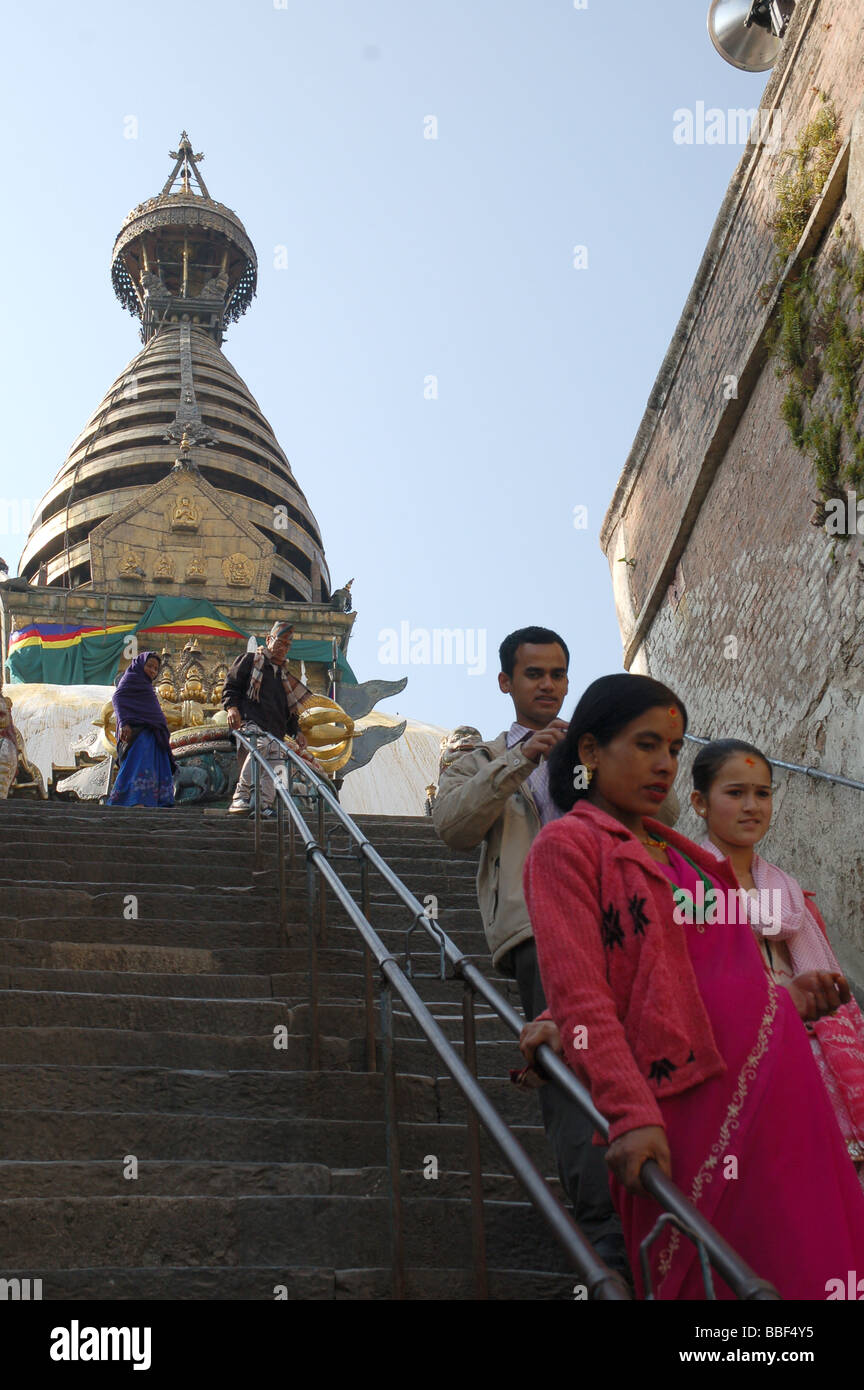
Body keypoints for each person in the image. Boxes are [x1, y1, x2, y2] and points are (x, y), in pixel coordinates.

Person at [521, 673, 864, 1300]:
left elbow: (681, 969)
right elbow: (584, 990)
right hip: (686, 1095)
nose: (665, 764)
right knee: (725, 1277)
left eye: (674, 749)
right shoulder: (567, 846)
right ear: (590, 750)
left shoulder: (684, 856)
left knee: (811, 1258)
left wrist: (787, 997)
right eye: (646, 744)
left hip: (781, 1078)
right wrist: (627, 1112)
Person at [432, 627, 630, 1274]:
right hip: (539, 930)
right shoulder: (481, 758)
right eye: (534, 673)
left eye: (558, 674)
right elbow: (452, 826)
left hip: (622, 922)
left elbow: (663, 816)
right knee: (571, 1070)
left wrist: (606, 757)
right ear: (506, 683)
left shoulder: (593, 748)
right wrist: (519, 760)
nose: (548, 684)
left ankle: (665, 1210)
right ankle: (605, 1230)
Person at [691, 737, 864, 1178]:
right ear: (699, 803)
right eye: (735, 793)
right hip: (738, 1059)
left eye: (763, 793)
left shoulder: (789, 895)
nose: (752, 806)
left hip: (809, 1061)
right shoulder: (687, 889)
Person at [223, 621, 310, 819]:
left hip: (276, 731)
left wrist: (296, 731)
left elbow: (289, 710)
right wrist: (232, 707)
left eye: (287, 645)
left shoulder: (284, 677)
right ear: (269, 639)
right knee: (259, 748)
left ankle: (264, 803)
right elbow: (232, 684)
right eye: (280, 642)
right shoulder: (251, 660)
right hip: (251, 722)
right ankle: (241, 796)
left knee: (277, 764)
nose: (283, 648)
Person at [107, 651, 176, 808]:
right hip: (137, 733)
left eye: (156, 669)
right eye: (149, 666)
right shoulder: (131, 678)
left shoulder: (146, 685)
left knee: (152, 765)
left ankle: (151, 801)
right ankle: (134, 800)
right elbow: (117, 698)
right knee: (138, 764)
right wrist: (124, 723)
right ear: (140, 665)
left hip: (153, 732)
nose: (153, 671)